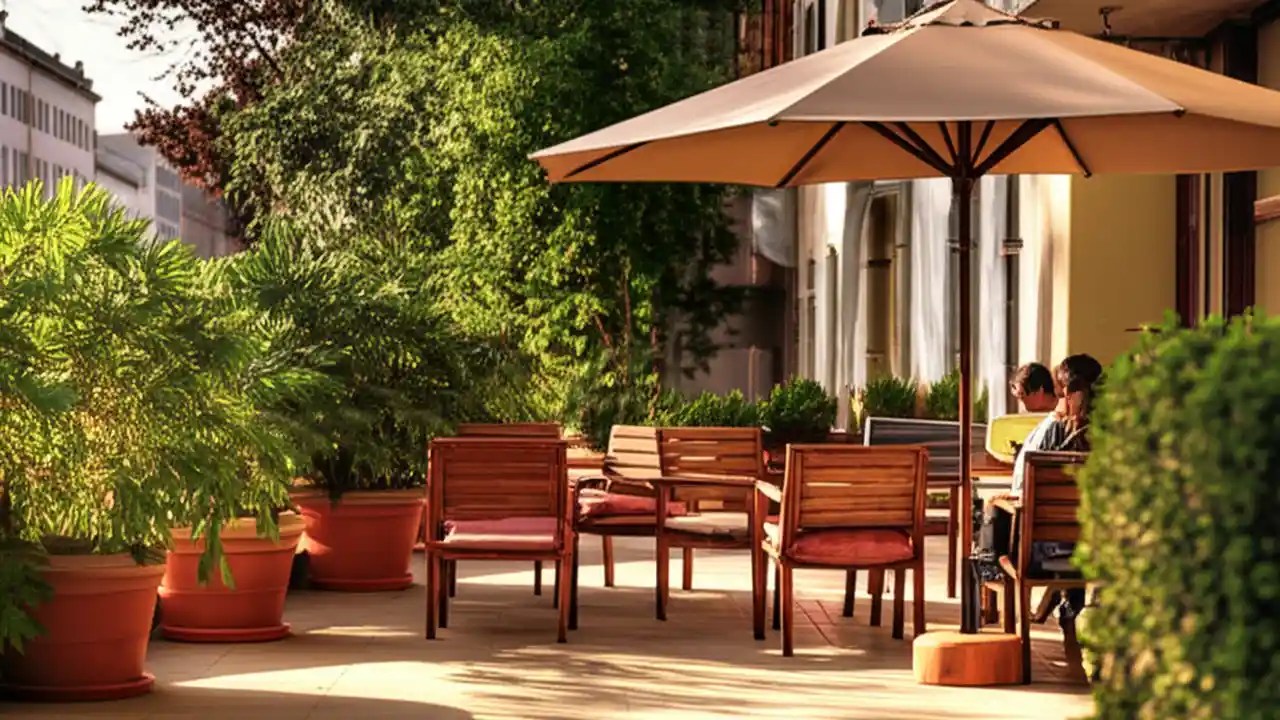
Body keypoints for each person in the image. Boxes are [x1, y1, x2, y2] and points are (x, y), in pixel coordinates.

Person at [970, 355, 1102, 660]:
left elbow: (1021, 494)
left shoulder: (1047, 434)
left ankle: (990, 571)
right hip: (1091, 554)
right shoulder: (1113, 439)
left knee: (992, 510)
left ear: (1064, 393)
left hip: (1040, 555)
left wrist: (998, 502)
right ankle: (1069, 604)